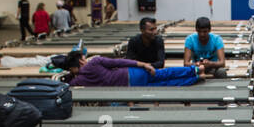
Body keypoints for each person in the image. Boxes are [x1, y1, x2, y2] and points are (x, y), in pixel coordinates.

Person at [64, 51, 198, 87]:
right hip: (131, 73)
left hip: (129, 86)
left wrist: (71, 74)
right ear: (81, 60)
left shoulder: (79, 81)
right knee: (164, 73)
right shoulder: (95, 62)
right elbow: (120, 61)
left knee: (164, 84)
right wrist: (143, 64)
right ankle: (192, 70)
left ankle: (194, 78)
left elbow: (67, 85)